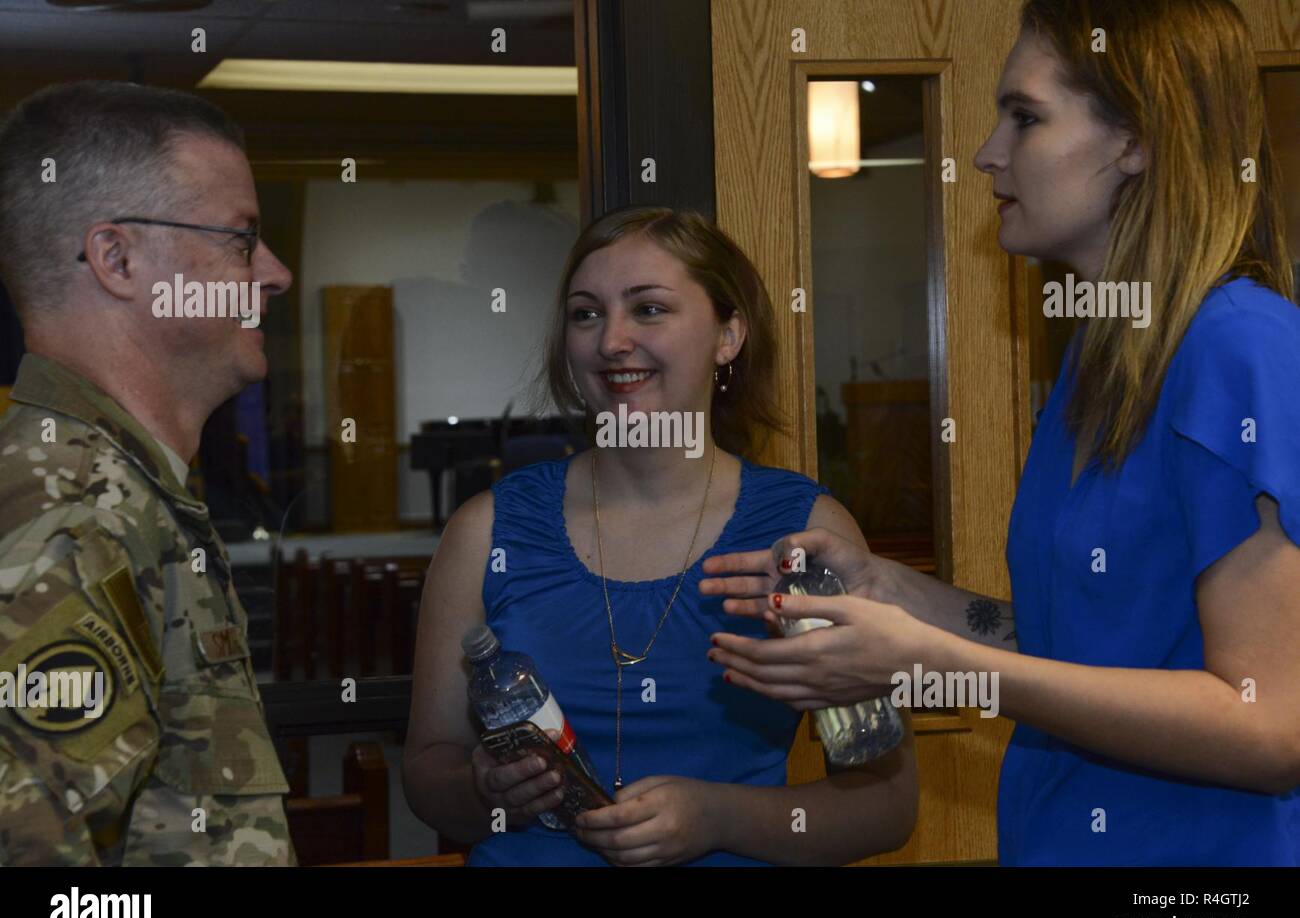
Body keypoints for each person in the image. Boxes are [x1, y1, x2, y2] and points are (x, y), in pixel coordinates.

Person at [702, 0, 1300, 867]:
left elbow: (1271, 722)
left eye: (1024, 117)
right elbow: (1086, 649)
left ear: (1135, 138)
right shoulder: (1103, 358)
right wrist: (892, 596)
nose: (986, 152)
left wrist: (940, 666)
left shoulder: (1243, 344)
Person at [403, 206, 918, 866]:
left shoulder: (804, 534)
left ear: (728, 335)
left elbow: (888, 803)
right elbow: (426, 774)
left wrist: (717, 816)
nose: (611, 340)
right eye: (587, 313)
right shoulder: (487, 530)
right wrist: (483, 787)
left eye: (648, 309)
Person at [0, 81, 296, 865]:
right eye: (241, 239)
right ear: (118, 258)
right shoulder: (70, 511)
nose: (275, 273)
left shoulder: (128, 488)